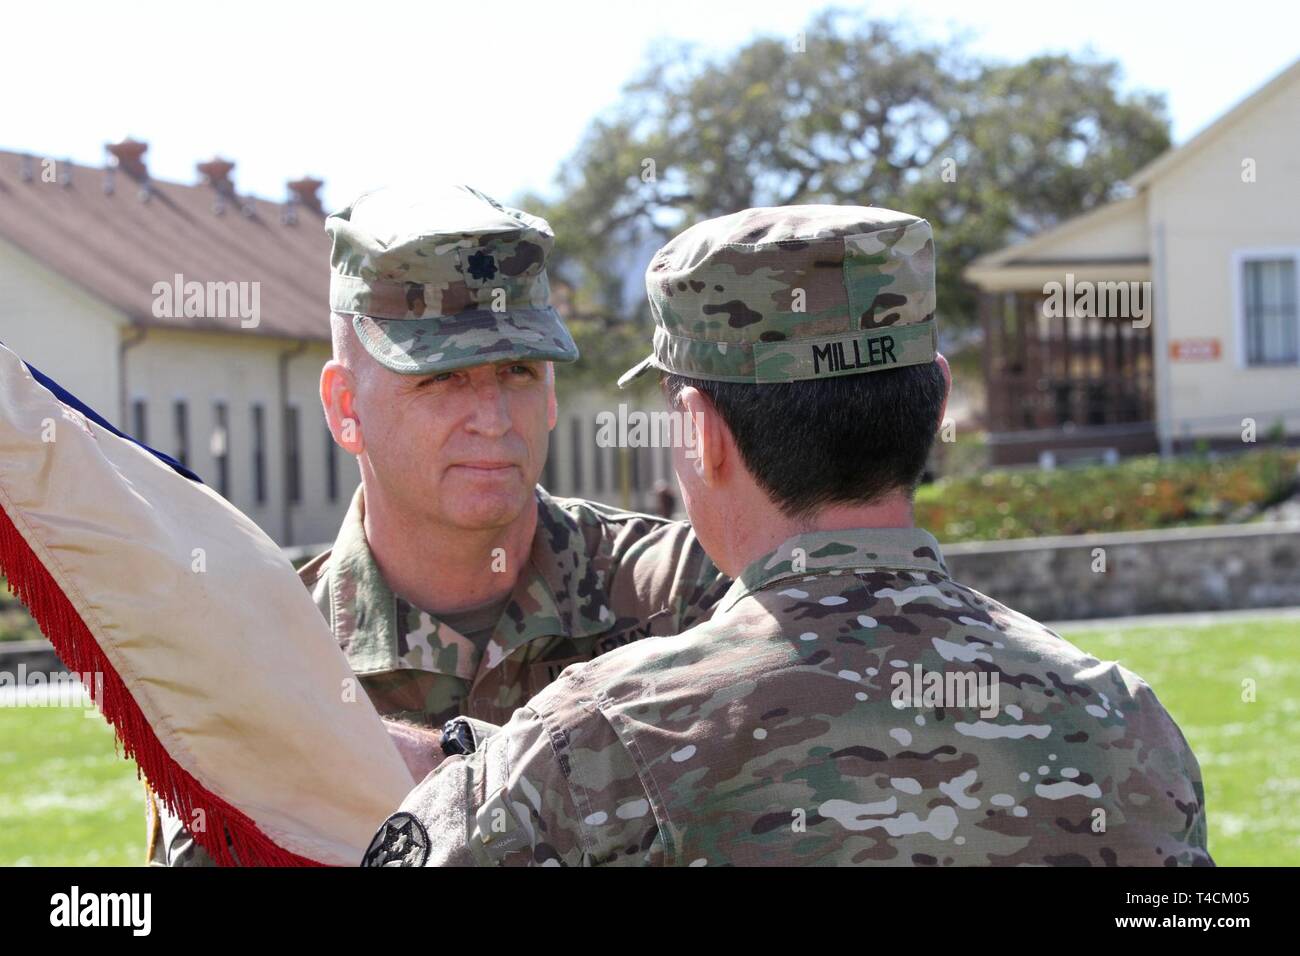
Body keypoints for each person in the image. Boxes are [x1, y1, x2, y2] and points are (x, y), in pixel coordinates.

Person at [363, 204, 1212, 866]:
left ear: (700, 431)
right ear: (937, 401)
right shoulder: (1123, 719)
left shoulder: (602, 742)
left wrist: (467, 767)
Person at [146, 184, 728, 865]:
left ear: (549, 396)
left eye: (516, 370)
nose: (493, 416)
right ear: (344, 407)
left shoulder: (687, 596)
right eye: (440, 378)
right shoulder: (269, 663)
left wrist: (436, 766)